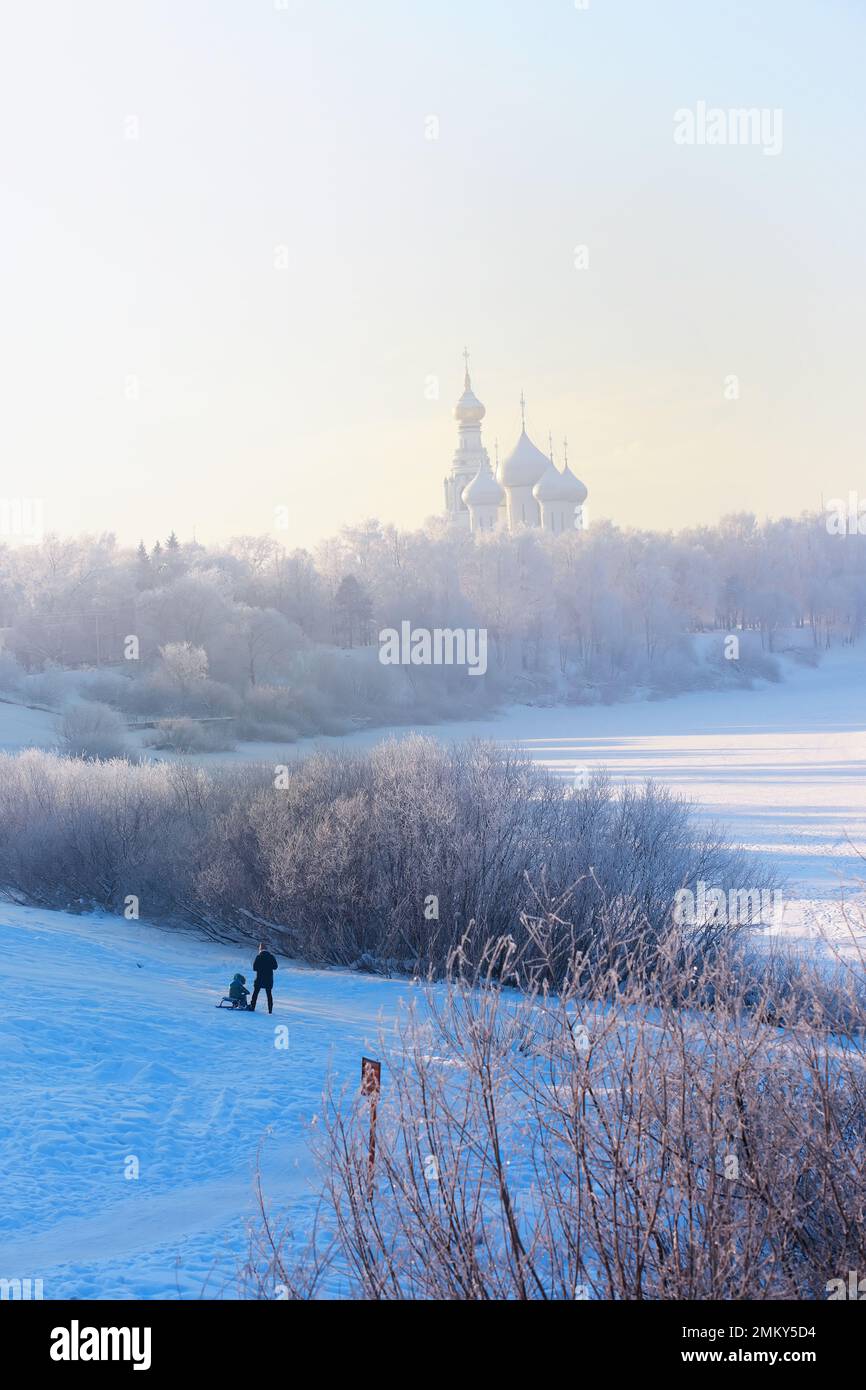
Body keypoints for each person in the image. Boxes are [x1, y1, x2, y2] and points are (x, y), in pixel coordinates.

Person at [249, 942, 278, 1013]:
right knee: (269, 995)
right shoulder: (271, 957)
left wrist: (260, 968)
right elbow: (275, 967)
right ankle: (270, 1010)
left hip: (259, 979)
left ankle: (252, 1007)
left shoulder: (258, 957)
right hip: (268, 979)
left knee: (255, 993)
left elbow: (254, 968)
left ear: (260, 949)